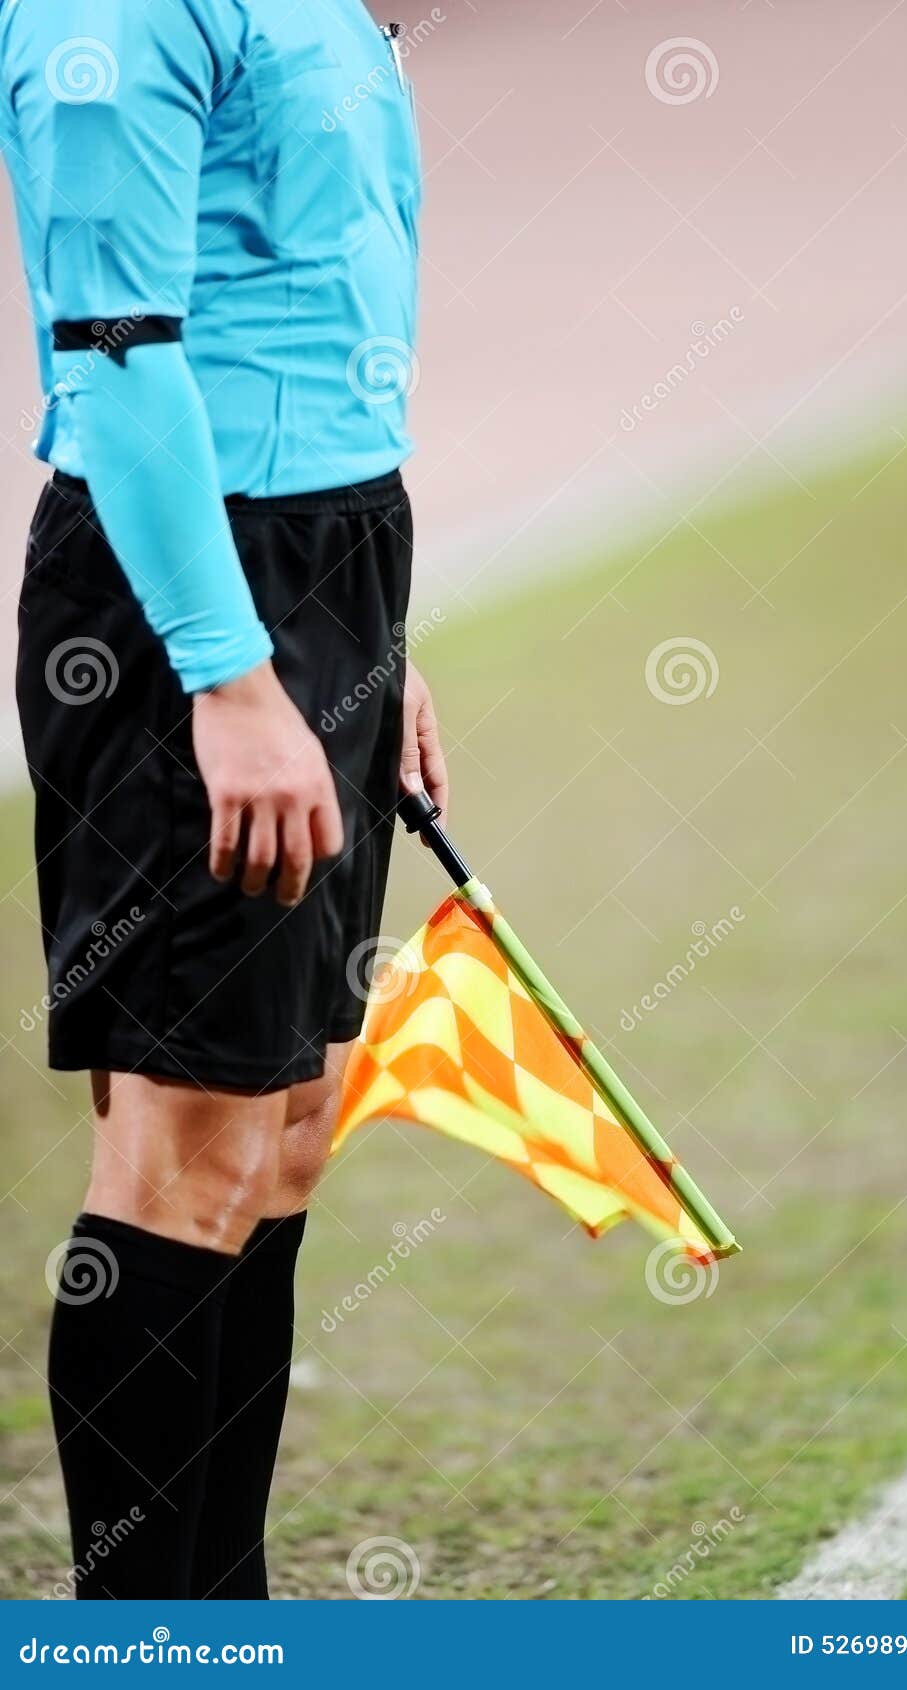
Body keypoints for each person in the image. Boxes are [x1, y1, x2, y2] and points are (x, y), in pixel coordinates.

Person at [0, 0, 447, 1598]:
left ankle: (227, 1611)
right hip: (186, 600)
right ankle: (142, 1636)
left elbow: (324, 304)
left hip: (325, 570)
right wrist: (232, 671)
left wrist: (378, 652)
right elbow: (115, 351)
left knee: (289, 1130)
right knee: (184, 1148)